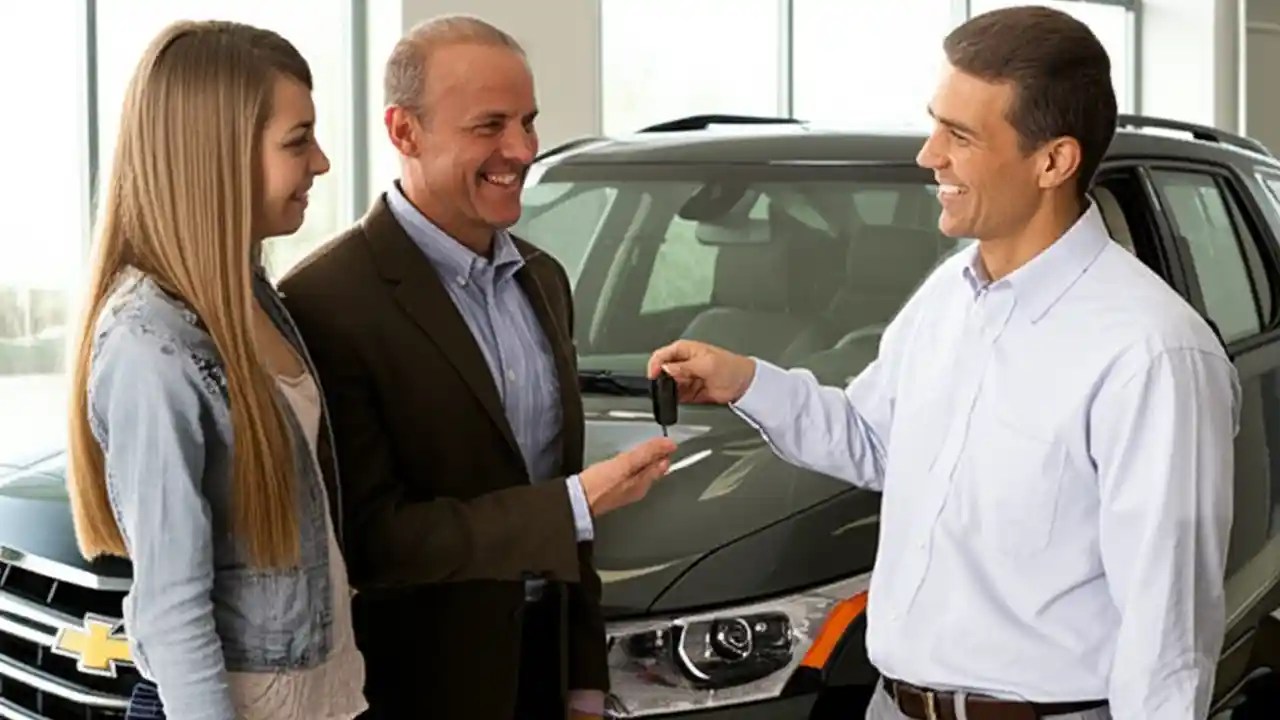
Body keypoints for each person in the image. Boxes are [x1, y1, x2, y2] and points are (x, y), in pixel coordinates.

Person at [647, 7, 1239, 720]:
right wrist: (746, 380)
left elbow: (1168, 631)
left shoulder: (1152, 354)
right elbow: (874, 441)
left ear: (1053, 160)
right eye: (936, 125)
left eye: (959, 136)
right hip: (894, 707)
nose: (929, 156)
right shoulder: (950, 296)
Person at [277, 14, 677, 720]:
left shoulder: (544, 280)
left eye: (528, 121)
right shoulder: (325, 302)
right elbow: (368, 540)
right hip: (418, 690)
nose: (521, 150)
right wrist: (575, 505)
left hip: (544, 671)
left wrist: (583, 679)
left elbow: (560, 495)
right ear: (405, 132)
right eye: (490, 126)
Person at [64, 20, 365, 720]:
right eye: (298, 142)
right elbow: (171, 610)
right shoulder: (150, 344)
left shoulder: (251, 292)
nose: (320, 163)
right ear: (217, 158)